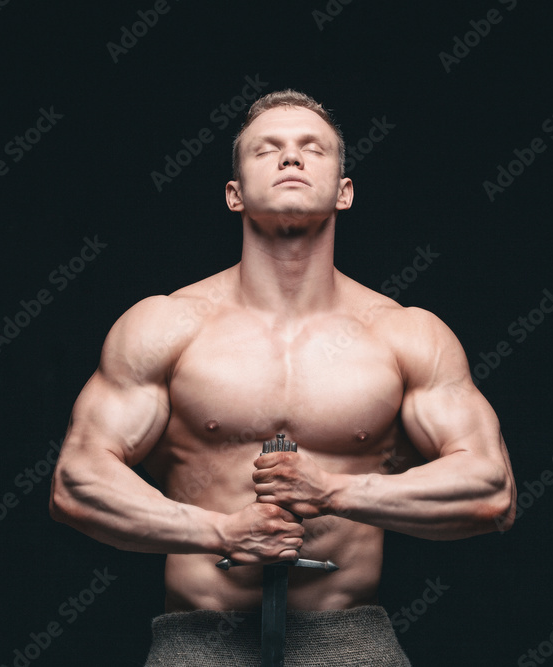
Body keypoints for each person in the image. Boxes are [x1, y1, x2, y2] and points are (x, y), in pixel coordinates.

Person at [49, 90, 516, 665]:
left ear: (344, 192)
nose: (290, 159)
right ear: (234, 193)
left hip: (348, 638)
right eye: (267, 149)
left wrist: (335, 491)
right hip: (200, 638)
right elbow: (77, 482)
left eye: (311, 149)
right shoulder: (165, 324)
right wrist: (219, 532)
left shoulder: (405, 335)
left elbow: (492, 490)